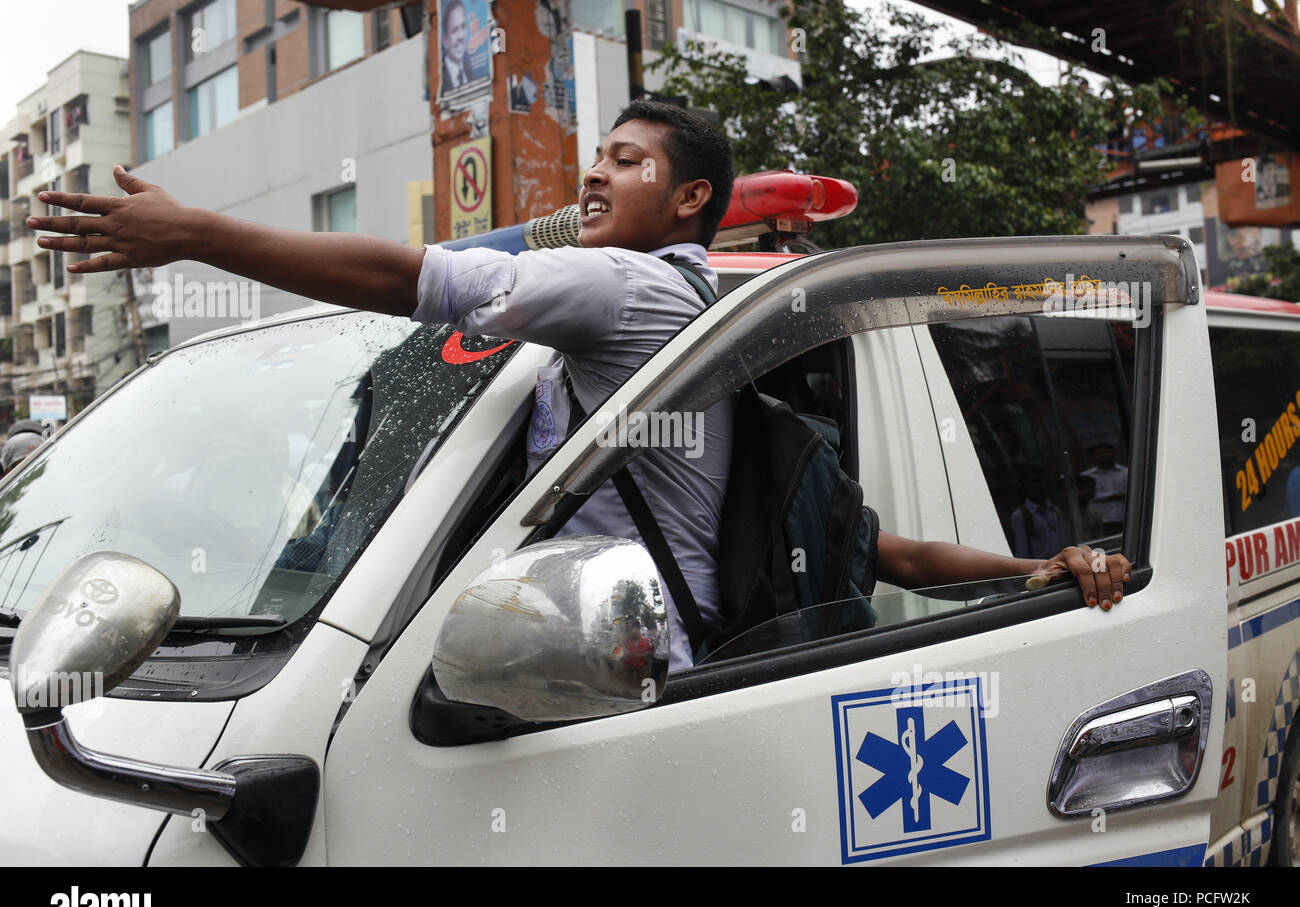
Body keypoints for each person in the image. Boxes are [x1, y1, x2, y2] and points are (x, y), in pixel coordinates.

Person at [25, 101, 1133, 673]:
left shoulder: (623, 289)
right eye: (595, 155)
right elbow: (872, 542)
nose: (595, 172)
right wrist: (1030, 567)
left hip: (623, 683)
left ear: (692, 196)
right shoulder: (671, 325)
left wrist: (196, 235)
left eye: (627, 160)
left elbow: (404, 277)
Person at [1082, 442, 1129, 535]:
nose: (1104, 455)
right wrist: (1120, 495)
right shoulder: (1086, 476)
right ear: (1093, 457)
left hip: (1126, 520)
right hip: (1101, 522)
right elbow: (1092, 496)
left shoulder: (1126, 472)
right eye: (1099, 453)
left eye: (1107, 451)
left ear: (1114, 453)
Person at [440, 0, 482, 92]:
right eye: (455, 30)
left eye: (463, 26)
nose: (460, 37)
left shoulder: (472, 72)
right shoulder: (439, 78)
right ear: (445, 40)